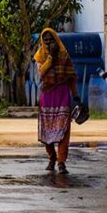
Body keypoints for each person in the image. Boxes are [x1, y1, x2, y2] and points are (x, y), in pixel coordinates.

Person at [35, 28, 81, 174]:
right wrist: (50, 57)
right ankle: (52, 158)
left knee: (64, 130)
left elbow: (71, 78)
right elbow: (42, 72)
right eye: (46, 40)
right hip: (47, 96)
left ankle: (61, 162)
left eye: (51, 40)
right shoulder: (40, 55)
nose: (49, 43)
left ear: (56, 39)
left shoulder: (64, 55)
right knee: (47, 130)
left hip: (62, 95)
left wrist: (76, 97)